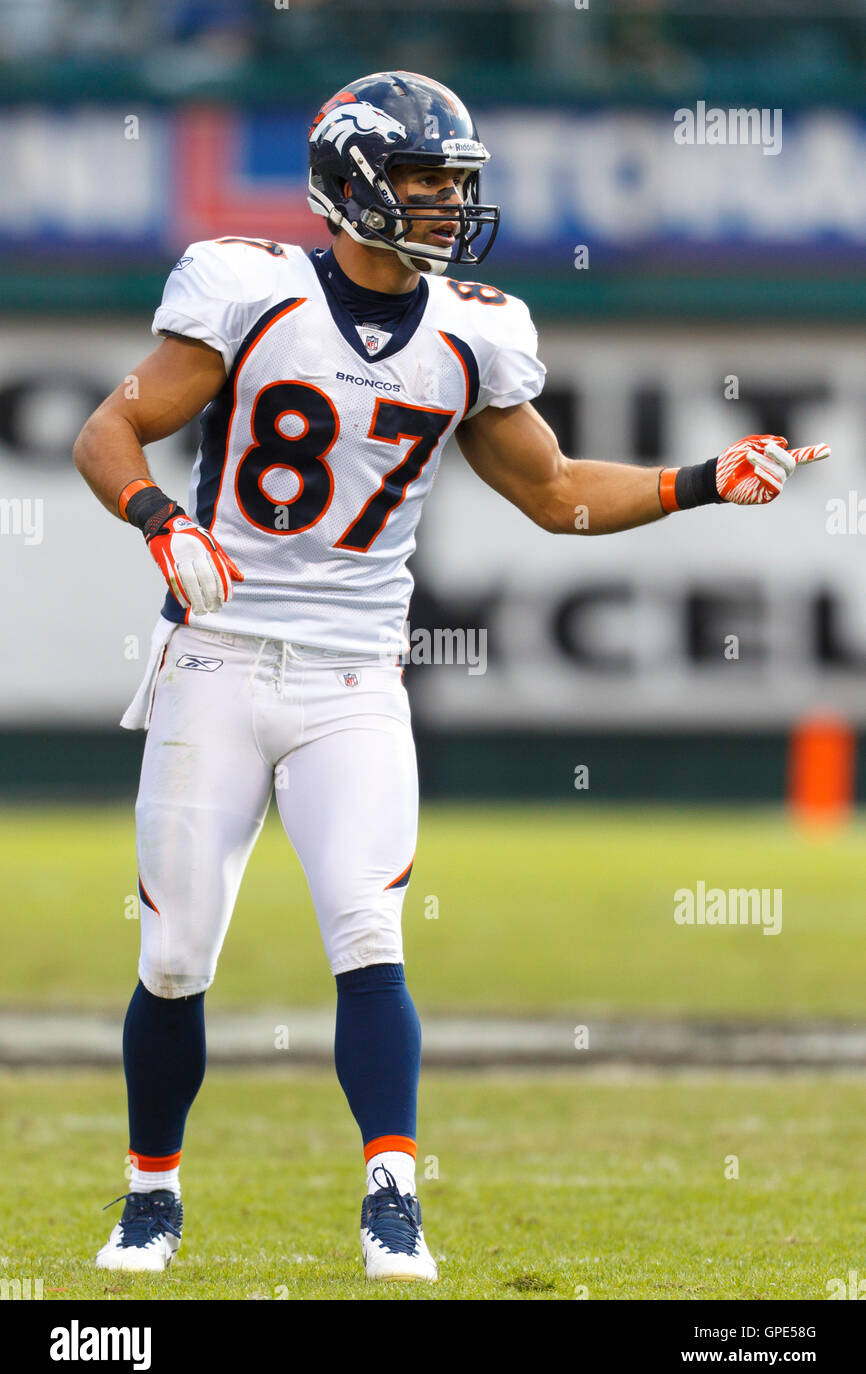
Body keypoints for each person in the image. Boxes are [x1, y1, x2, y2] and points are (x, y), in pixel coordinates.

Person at [73, 69, 829, 1283]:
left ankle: (392, 1197)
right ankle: (150, 1199)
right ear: (350, 179)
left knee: (369, 931)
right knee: (175, 955)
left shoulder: (474, 328)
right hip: (213, 657)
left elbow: (554, 492)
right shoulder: (246, 289)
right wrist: (163, 519)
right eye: (422, 177)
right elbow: (106, 431)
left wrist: (695, 480)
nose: (441, 202)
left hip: (356, 678)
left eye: (453, 181)